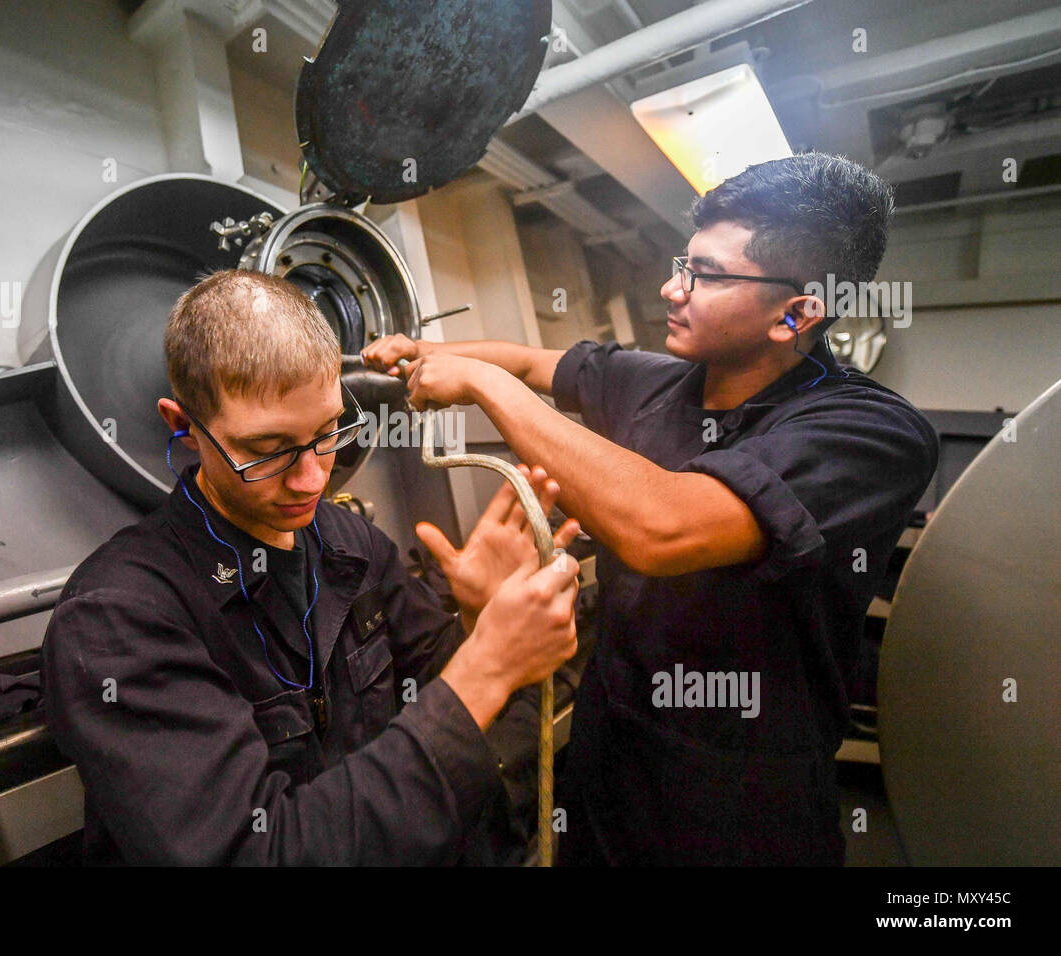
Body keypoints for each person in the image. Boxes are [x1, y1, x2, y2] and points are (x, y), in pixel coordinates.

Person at [364, 152, 940, 865]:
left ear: (796, 314)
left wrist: (482, 386)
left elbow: (661, 526)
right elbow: (527, 360)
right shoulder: (658, 382)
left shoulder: (869, 434)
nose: (672, 288)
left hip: (738, 807)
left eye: (706, 276)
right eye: (682, 263)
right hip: (613, 764)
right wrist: (420, 354)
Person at [41, 269, 580, 865]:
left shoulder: (348, 541)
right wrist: (486, 670)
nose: (311, 479)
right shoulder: (118, 618)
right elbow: (253, 851)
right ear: (184, 426)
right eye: (268, 450)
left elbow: (431, 686)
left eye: (327, 433)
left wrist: (477, 625)